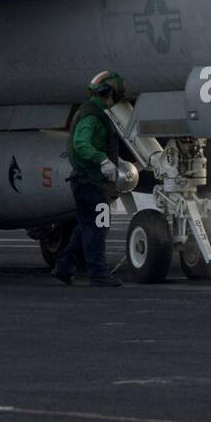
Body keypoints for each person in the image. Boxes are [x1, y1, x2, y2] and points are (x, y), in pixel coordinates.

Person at [52, 70, 129, 287]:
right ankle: (99, 274)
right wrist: (102, 160)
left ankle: (64, 267)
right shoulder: (93, 116)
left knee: (87, 226)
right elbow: (81, 143)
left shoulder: (91, 112)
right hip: (92, 183)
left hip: (85, 182)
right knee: (98, 227)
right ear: (108, 92)